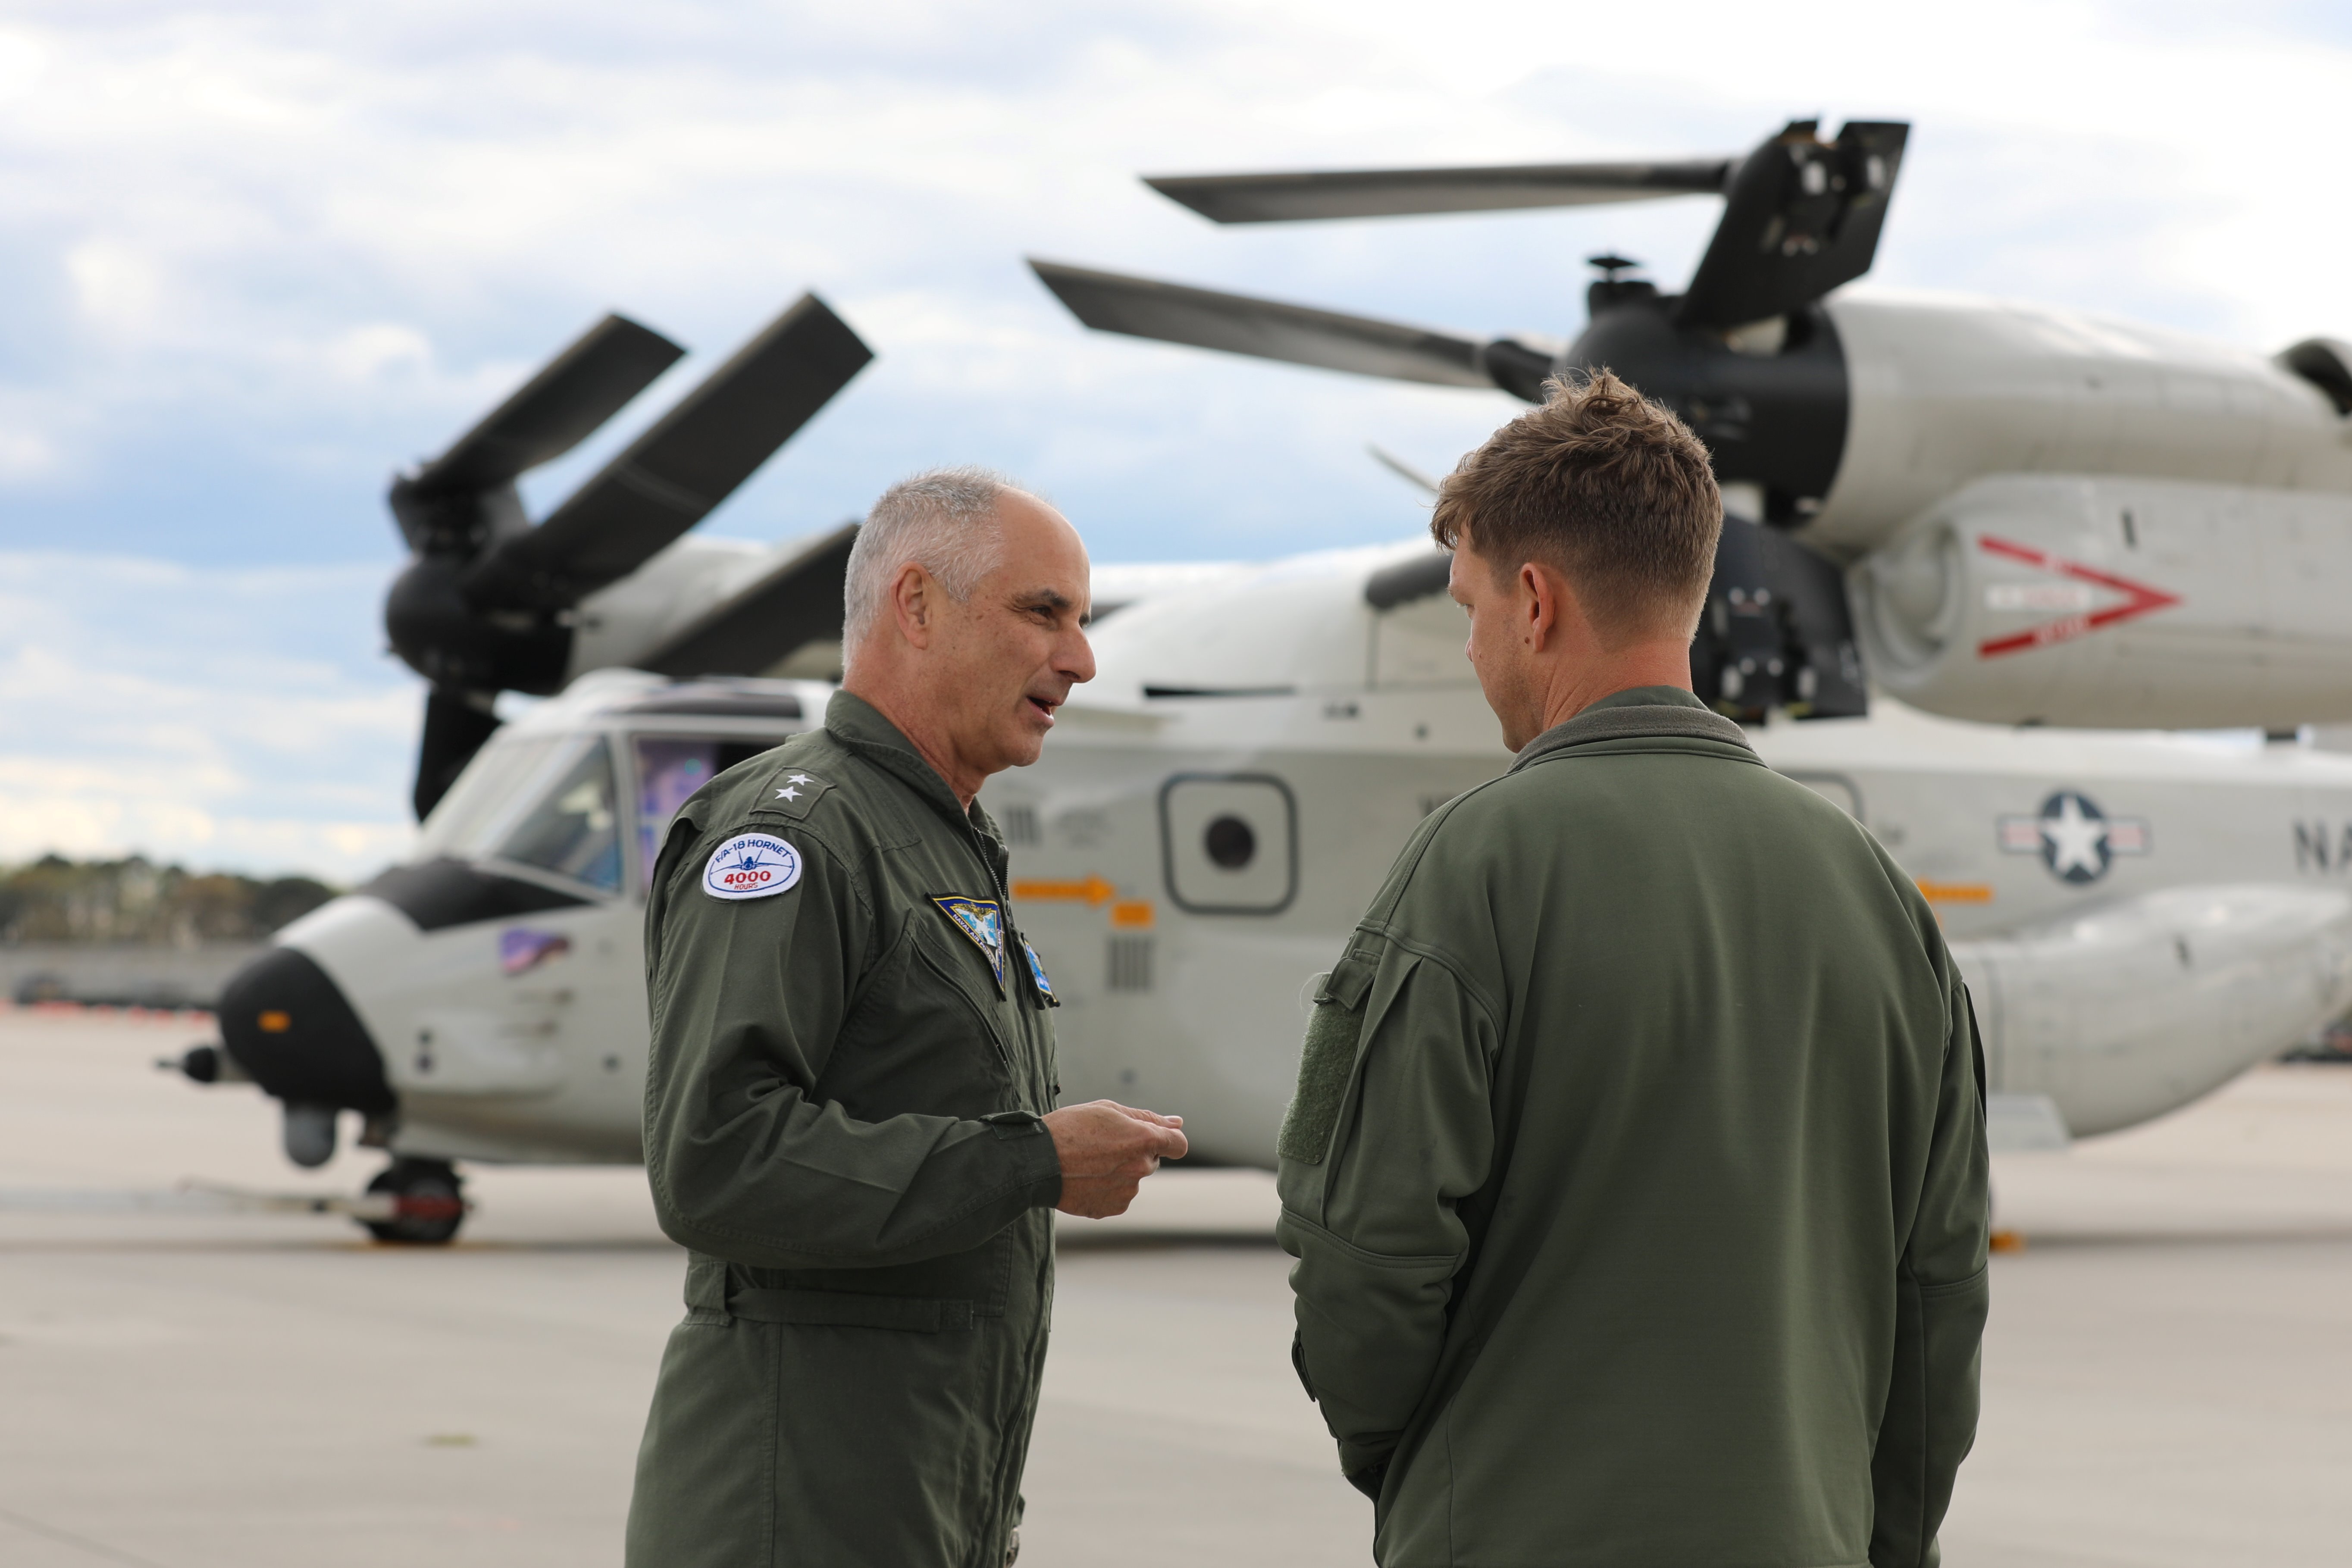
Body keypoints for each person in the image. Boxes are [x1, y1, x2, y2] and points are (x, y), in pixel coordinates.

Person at [1276, 373, 1989, 1567]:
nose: (1472, 646)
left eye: (1472, 608)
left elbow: (1362, 1248)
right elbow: (1940, 1287)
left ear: (1536, 602)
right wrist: (1874, 1535)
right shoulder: (1881, 896)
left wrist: (1424, 1462)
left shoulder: (1470, 865)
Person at [625, 466, 1189, 1568]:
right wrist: (1032, 1160)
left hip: (916, 1504)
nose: (1080, 658)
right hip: (796, 1519)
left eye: (1081, 620)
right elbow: (713, 1159)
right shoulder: (799, 835)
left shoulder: (939, 839)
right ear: (918, 605)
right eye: (1044, 612)